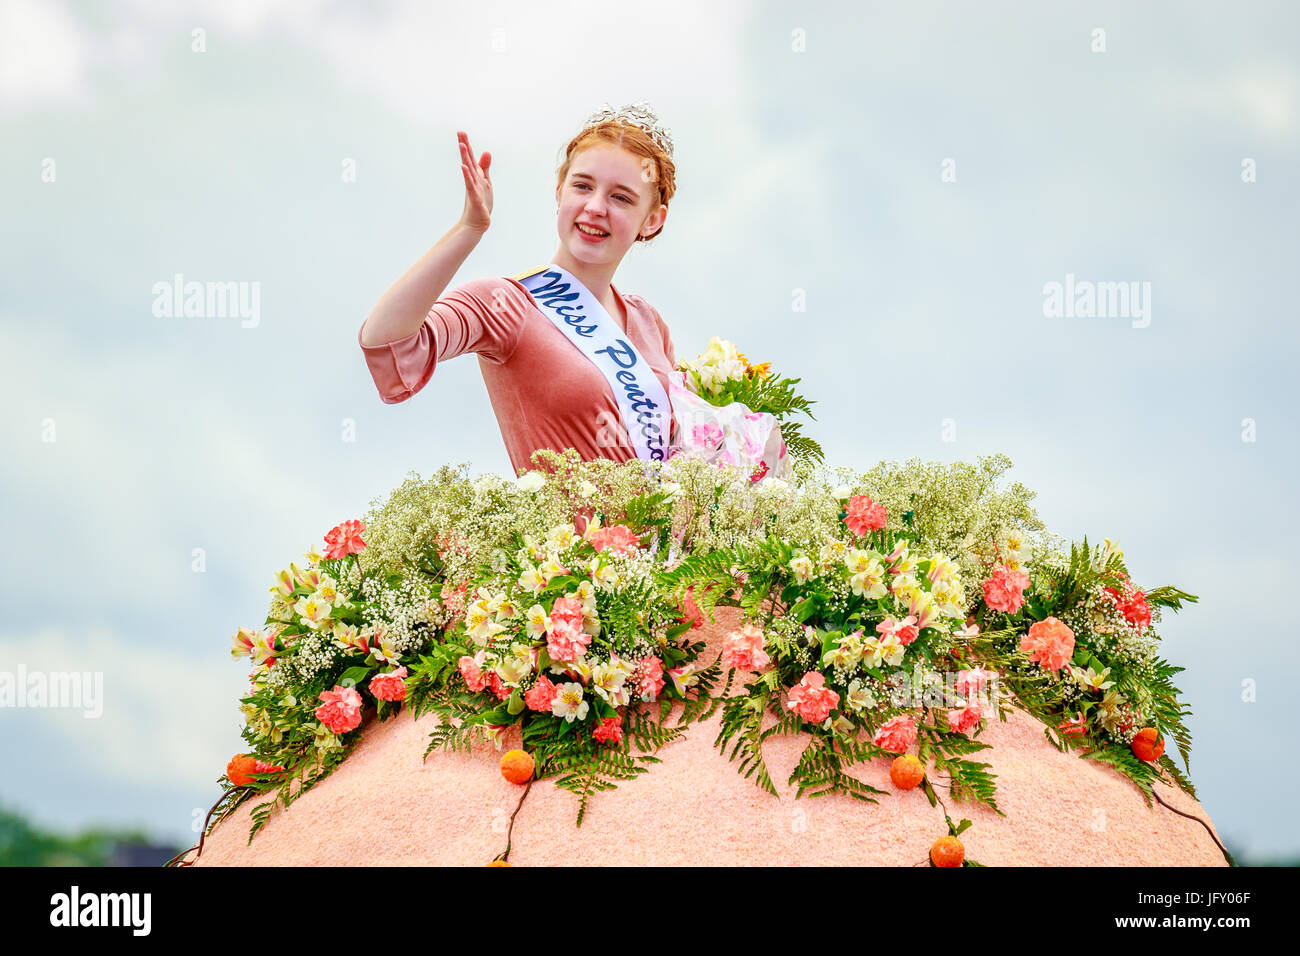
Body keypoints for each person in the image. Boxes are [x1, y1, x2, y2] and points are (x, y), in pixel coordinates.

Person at [357, 101, 681, 484]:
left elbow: (683, 450)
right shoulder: (505, 305)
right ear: (559, 191)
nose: (595, 207)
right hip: (567, 525)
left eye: (621, 197)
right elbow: (386, 341)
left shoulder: (648, 322)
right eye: (582, 186)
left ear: (652, 220)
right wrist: (469, 229)